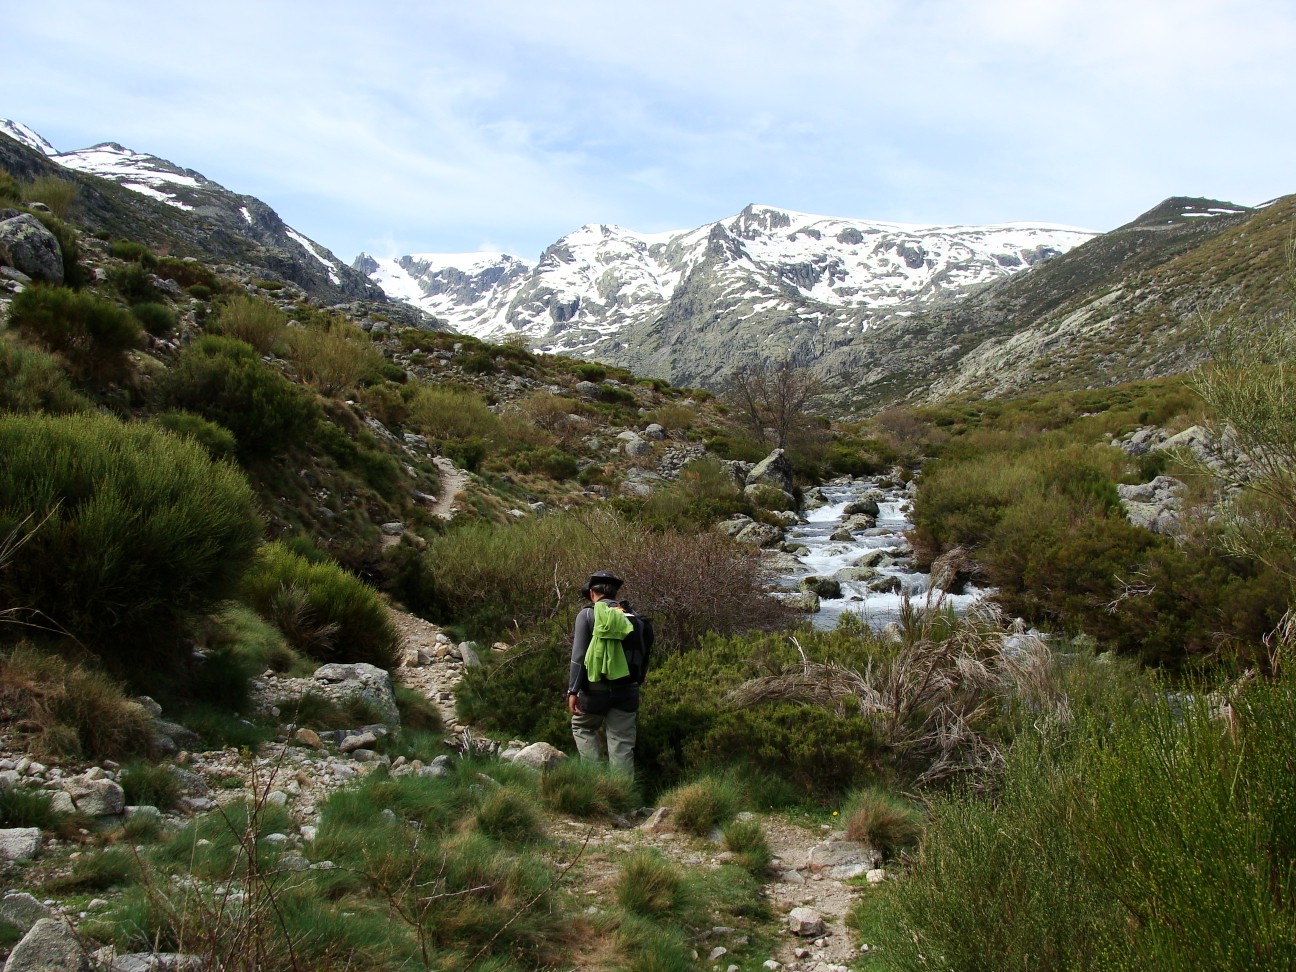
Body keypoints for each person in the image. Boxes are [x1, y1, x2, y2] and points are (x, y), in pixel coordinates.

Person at [567, 570, 643, 773]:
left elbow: (579, 656)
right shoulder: (634, 619)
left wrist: (573, 691)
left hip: (594, 691)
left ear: (592, 593)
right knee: (622, 742)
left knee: (582, 726)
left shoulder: (587, 615)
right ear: (615, 594)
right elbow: (643, 657)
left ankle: (596, 784)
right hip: (627, 691)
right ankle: (622, 794)